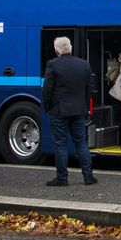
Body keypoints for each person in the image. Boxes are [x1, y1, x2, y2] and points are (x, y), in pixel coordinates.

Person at [42, 36, 97, 186]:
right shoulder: (84, 64)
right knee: (81, 143)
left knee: (60, 144)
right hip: (78, 110)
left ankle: (62, 178)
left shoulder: (52, 64)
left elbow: (47, 90)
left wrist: (48, 107)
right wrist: (83, 105)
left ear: (56, 50)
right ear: (70, 48)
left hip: (59, 110)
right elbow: (90, 89)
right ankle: (88, 176)